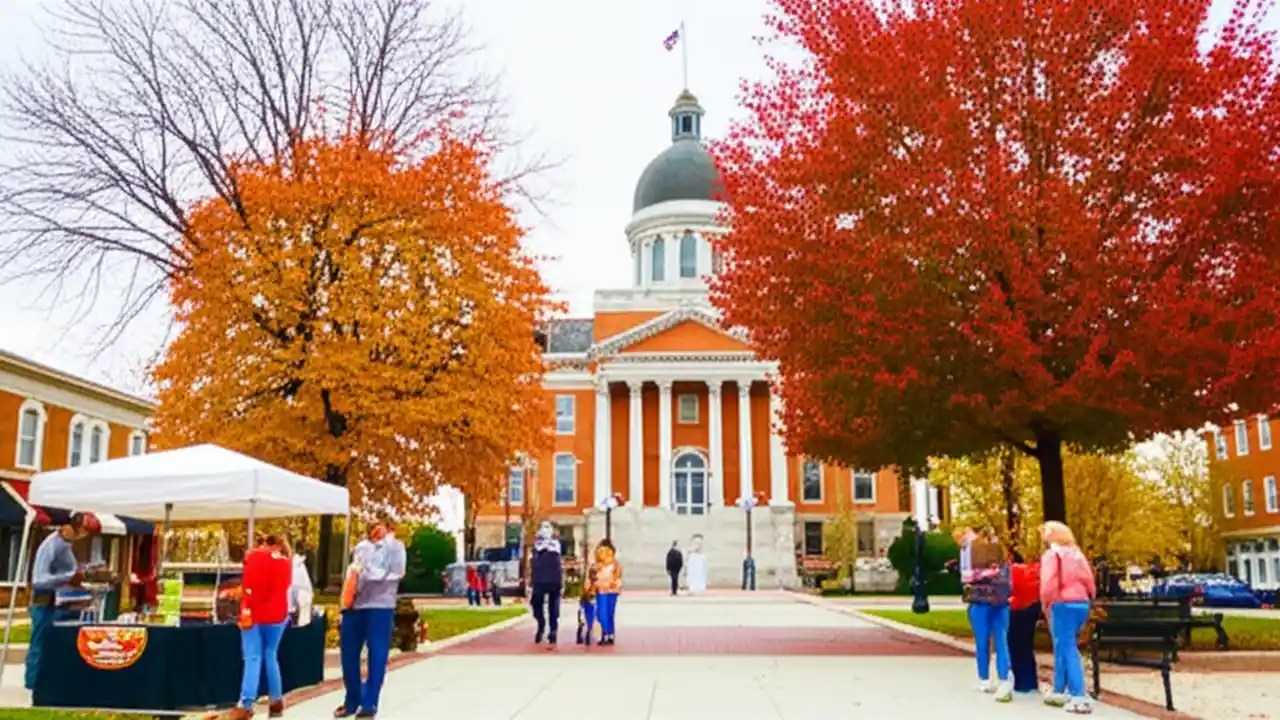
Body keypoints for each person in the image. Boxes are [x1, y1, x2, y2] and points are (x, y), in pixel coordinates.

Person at [335, 520, 406, 719]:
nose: (376, 530)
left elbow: (398, 573)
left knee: (377, 654)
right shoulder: (361, 547)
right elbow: (354, 572)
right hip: (355, 606)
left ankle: (369, 702)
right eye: (372, 526)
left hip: (380, 606)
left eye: (380, 526)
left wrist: (369, 573)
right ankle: (352, 700)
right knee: (348, 653)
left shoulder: (396, 548)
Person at [231, 535, 293, 720]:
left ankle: (246, 704)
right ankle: (276, 700)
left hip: (254, 614)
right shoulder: (286, 563)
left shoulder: (254, 556)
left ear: (265, 543)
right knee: (271, 654)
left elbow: (248, 586)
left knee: (252, 657)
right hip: (278, 615)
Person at [1040, 521, 1097, 714]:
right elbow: (1090, 582)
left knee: (1067, 647)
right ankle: (1059, 689)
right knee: (1064, 645)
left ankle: (1079, 695)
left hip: (1061, 602)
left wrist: (1046, 604)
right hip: (1081, 603)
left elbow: (1048, 583)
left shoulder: (1051, 555)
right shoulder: (1077, 554)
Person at [26, 513, 87, 690]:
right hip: (42, 601)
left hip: (58, 601)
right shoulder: (51, 546)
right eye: (76, 531)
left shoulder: (65, 546)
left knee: (54, 642)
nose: (77, 536)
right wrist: (68, 577)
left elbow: (71, 568)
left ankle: (49, 678)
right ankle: (33, 681)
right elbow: (39, 579)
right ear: (65, 528)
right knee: (39, 641)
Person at [964, 531, 1013, 702]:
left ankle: (984, 679)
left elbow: (965, 579)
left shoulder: (971, 557)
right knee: (1001, 641)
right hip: (1001, 603)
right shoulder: (1004, 563)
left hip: (979, 603)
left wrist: (982, 575)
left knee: (982, 641)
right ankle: (1004, 678)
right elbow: (1010, 584)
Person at [1008, 549, 1042, 695]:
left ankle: (1022, 682)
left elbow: (1011, 590)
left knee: (1016, 645)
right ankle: (1030, 682)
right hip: (1033, 607)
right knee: (1026, 645)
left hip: (1018, 609)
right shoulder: (1036, 570)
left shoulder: (1014, 570)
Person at [529, 522, 563, 646]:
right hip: (539, 580)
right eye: (543, 528)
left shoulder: (555, 546)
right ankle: (541, 624)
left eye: (547, 528)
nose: (544, 531)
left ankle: (553, 630)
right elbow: (532, 565)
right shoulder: (536, 547)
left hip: (553, 580)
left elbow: (558, 564)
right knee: (536, 604)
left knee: (553, 607)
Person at [593, 539, 622, 646]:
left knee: (606, 612)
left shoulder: (613, 564)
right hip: (605, 590)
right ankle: (607, 633)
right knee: (605, 612)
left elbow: (617, 577)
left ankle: (608, 633)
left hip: (608, 590)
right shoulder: (600, 565)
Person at [575, 567, 598, 646]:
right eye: (593, 574)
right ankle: (581, 636)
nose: (594, 576)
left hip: (588, 603)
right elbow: (585, 593)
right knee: (583, 620)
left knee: (587, 620)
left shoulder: (595, 583)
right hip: (586, 603)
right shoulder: (588, 582)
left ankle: (586, 635)